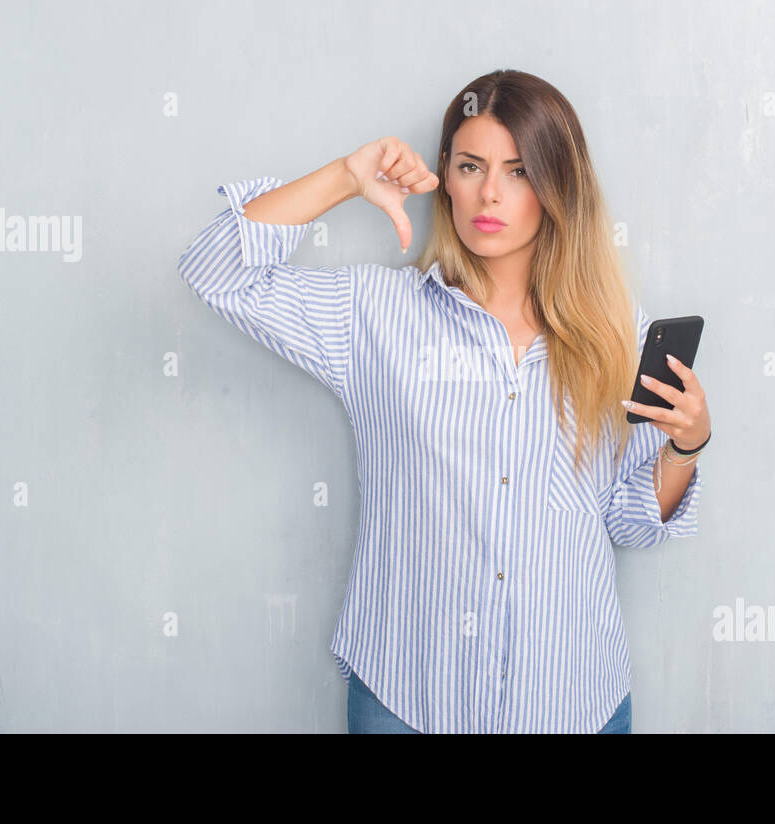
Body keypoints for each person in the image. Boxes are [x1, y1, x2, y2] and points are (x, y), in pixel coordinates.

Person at [177, 69, 711, 734]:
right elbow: (214, 269)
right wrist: (347, 176)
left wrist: (685, 448)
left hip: (573, 699)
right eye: (470, 166)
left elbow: (627, 522)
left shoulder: (616, 336)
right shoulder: (374, 315)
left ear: (557, 187)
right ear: (444, 178)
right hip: (409, 695)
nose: (490, 192)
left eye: (519, 171)